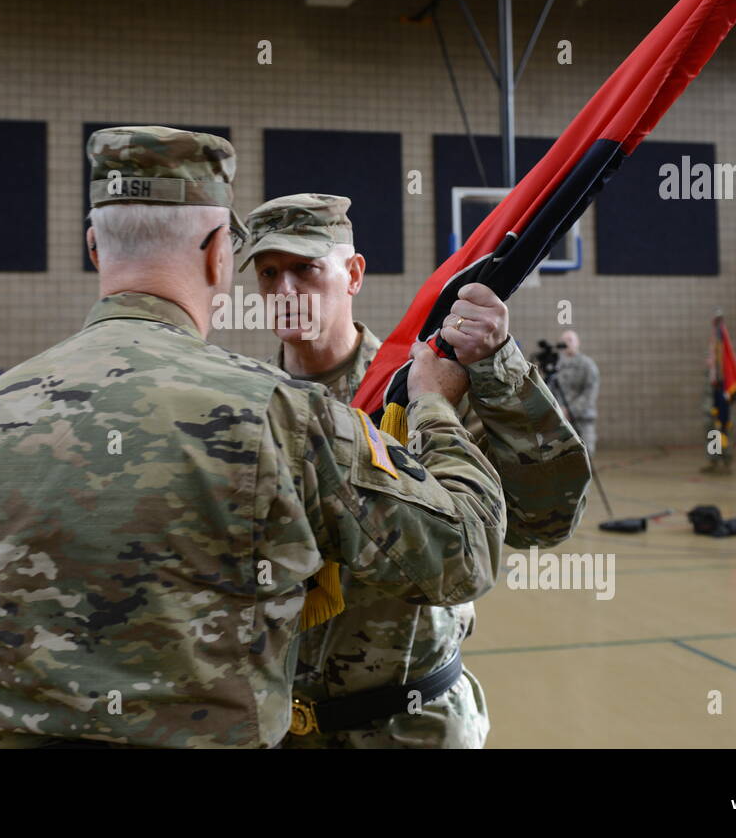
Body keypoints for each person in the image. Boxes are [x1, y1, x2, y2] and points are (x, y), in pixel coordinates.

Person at [0, 126, 509, 749]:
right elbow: (464, 552)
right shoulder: (277, 415)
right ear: (218, 255)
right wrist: (437, 407)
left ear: (95, 246)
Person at [243, 192, 590, 748]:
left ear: (353, 274)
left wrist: (499, 368)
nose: (285, 291)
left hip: (411, 728)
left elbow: (542, 518)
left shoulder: (425, 388)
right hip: (279, 730)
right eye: (268, 273)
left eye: (305, 268)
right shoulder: (245, 405)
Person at [554, 330, 599, 457]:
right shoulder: (555, 365)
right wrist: (558, 409)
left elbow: (590, 393)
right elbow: (549, 390)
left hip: (583, 419)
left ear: (577, 342)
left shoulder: (587, 365)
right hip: (560, 420)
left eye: (570, 340)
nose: (567, 343)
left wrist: (570, 410)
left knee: (585, 454)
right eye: (564, 340)